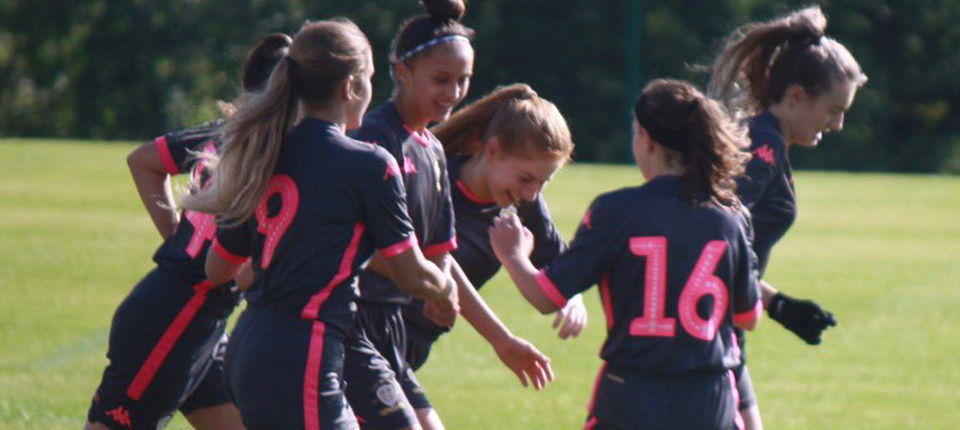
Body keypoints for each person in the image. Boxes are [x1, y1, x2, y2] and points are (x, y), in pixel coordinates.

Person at [182, 19, 456, 429]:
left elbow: (218, 268)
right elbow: (412, 275)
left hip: (248, 346)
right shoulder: (368, 164)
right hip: (303, 354)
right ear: (350, 87)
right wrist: (445, 289)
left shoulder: (264, 152)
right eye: (370, 79)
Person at [490, 79, 762, 430]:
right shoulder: (731, 217)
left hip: (632, 395)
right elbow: (748, 316)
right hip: (708, 399)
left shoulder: (615, 212)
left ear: (646, 140)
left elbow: (547, 297)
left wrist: (513, 255)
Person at [85, 33, 291, 430]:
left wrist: (178, 237)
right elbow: (241, 273)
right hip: (174, 321)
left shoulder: (230, 134)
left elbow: (144, 160)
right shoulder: (270, 158)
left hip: (201, 324)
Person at [708, 6, 866, 428]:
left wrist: (775, 304)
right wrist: (772, 304)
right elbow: (713, 235)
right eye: (834, 109)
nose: (838, 124)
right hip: (711, 328)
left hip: (723, 325)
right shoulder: (765, 146)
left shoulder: (761, 137)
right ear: (796, 96)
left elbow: (723, 245)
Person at [340, 1, 477, 428]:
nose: (453, 92)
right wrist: (427, 283)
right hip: (350, 319)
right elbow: (354, 242)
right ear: (403, 72)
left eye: (463, 80)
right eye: (441, 79)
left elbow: (438, 248)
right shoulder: (372, 139)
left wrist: (443, 292)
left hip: (391, 325)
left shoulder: (433, 149)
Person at [401, 83, 586, 376]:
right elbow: (441, 265)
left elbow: (560, 265)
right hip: (371, 329)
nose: (532, 193)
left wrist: (572, 297)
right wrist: (502, 339)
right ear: (492, 150)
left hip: (412, 348)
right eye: (526, 178)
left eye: (543, 183)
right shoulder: (434, 178)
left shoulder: (524, 204)